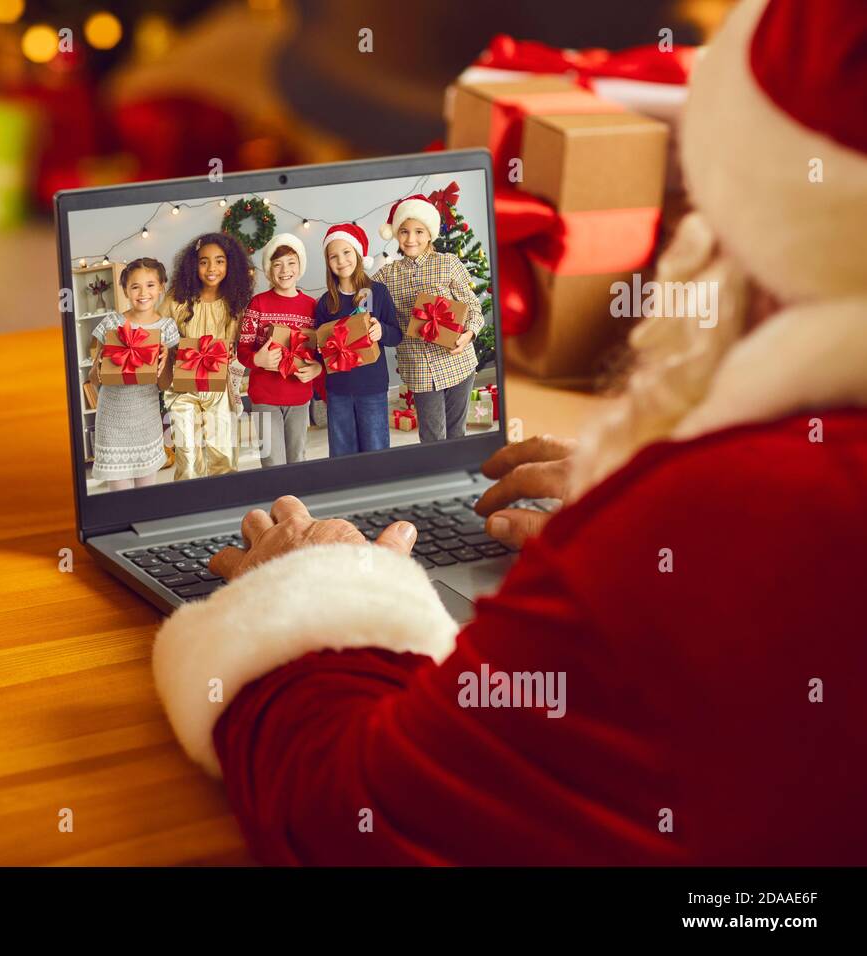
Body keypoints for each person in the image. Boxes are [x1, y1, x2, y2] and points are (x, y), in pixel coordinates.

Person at [150, 0, 867, 864]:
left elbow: (355, 819)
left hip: (389, 389)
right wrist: (633, 511)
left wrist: (304, 603)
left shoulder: (752, 515)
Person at [372, 191, 484, 442]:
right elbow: (361, 296)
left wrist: (469, 334)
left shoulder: (448, 263)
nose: (411, 238)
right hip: (420, 369)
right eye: (404, 231)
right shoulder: (387, 275)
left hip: (458, 361)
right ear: (396, 235)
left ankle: (457, 475)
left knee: (457, 433)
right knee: (432, 436)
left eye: (419, 231)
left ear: (430, 233)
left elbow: (473, 307)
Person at [162, 234, 252, 480]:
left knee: (222, 454)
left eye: (219, 261)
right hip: (183, 386)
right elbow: (161, 336)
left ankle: (224, 504)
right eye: (204, 261)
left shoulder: (236, 302)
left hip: (220, 387)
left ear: (230, 265)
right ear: (194, 265)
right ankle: (190, 505)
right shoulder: (176, 299)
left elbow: (244, 342)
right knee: (187, 456)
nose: (212, 268)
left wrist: (234, 351)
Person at [313, 223, 403, 455]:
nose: (341, 261)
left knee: (376, 448)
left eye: (346, 252)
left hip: (371, 387)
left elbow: (396, 335)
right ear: (328, 263)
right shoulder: (325, 303)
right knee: (342, 450)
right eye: (334, 256)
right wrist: (322, 349)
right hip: (338, 390)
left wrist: (381, 331)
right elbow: (318, 349)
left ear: (358, 255)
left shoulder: (377, 292)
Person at [87, 258, 178, 490]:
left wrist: (165, 359)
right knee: (119, 495)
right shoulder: (112, 323)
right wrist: (104, 357)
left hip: (146, 421)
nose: (143, 292)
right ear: (125, 290)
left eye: (150, 285)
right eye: (135, 286)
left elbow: (166, 384)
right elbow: (94, 379)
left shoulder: (167, 328)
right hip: (112, 420)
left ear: (161, 287)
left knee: (145, 497)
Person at [238, 234, 322, 469]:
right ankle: (276, 505)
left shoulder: (312, 307)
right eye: (278, 264)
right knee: (272, 462)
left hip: (299, 397)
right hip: (264, 398)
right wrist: (257, 358)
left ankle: (295, 505)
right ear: (269, 270)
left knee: (297, 459)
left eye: (291, 262)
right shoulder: (258, 305)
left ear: (300, 266)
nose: (285, 270)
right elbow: (242, 350)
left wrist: (317, 368)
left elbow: (318, 352)